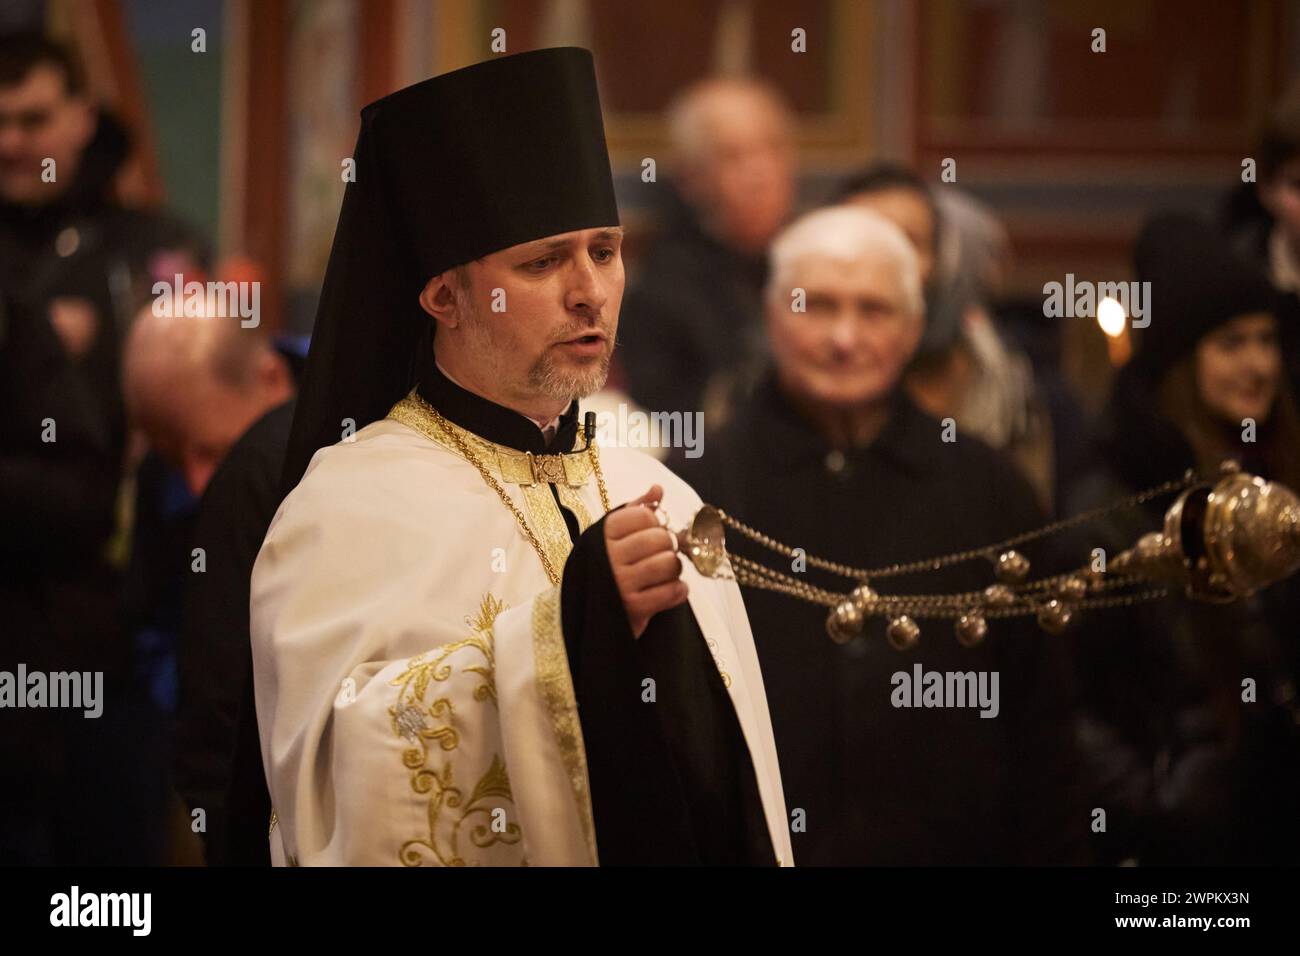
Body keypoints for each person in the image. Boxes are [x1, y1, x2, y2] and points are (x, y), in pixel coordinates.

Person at [246, 48, 791, 866]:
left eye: (603, 252)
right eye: (541, 262)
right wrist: (577, 627)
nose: (589, 292)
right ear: (444, 296)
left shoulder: (656, 488)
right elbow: (328, 782)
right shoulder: (347, 507)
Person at [675, 205, 1090, 865]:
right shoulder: (696, 495)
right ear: (771, 312)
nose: (845, 337)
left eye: (874, 310)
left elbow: (1042, 724)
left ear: (916, 325)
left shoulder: (990, 489)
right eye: (818, 307)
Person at [1062, 213, 1300, 865]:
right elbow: (1074, 703)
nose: (1259, 364)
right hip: (1176, 851)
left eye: (1267, 339)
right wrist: (1159, 802)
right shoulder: (1116, 502)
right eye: (1231, 343)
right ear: (1179, 360)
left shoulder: (1275, 470)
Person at [833, 164, 1071, 513]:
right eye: (867, 241)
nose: (888, 261)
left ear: (941, 259)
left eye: (909, 241)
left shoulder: (1014, 395)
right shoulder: (782, 391)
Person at [617, 76, 797, 420]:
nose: (760, 173)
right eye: (734, 156)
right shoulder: (660, 293)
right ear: (691, 179)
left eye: (772, 148)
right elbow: (676, 428)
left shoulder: (820, 261)